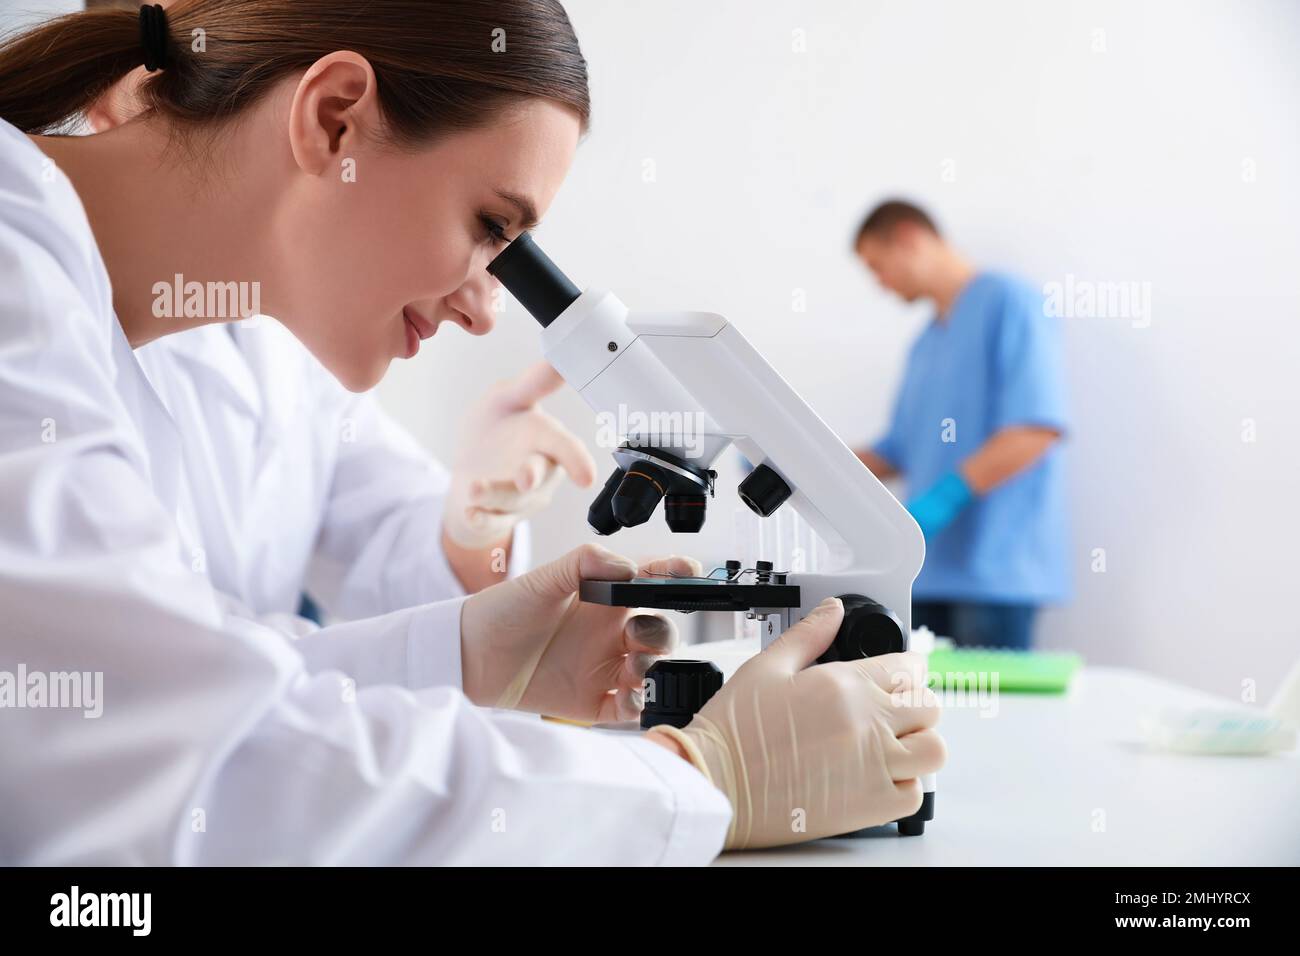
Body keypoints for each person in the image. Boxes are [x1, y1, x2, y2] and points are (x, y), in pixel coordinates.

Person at [0, 1, 944, 865]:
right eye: (492, 224)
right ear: (335, 118)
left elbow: (188, 679)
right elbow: (203, 777)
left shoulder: (178, 318)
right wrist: (700, 780)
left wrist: (470, 652)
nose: (488, 309)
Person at [852, 200, 1070, 649]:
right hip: (926, 573)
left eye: (878, 266)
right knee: (925, 714)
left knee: (995, 716)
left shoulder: (1010, 301)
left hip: (994, 575)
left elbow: (1034, 430)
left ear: (910, 237)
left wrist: (942, 499)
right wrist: (801, 462)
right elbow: (895, 452)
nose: (880, 284)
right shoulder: (926, 343)